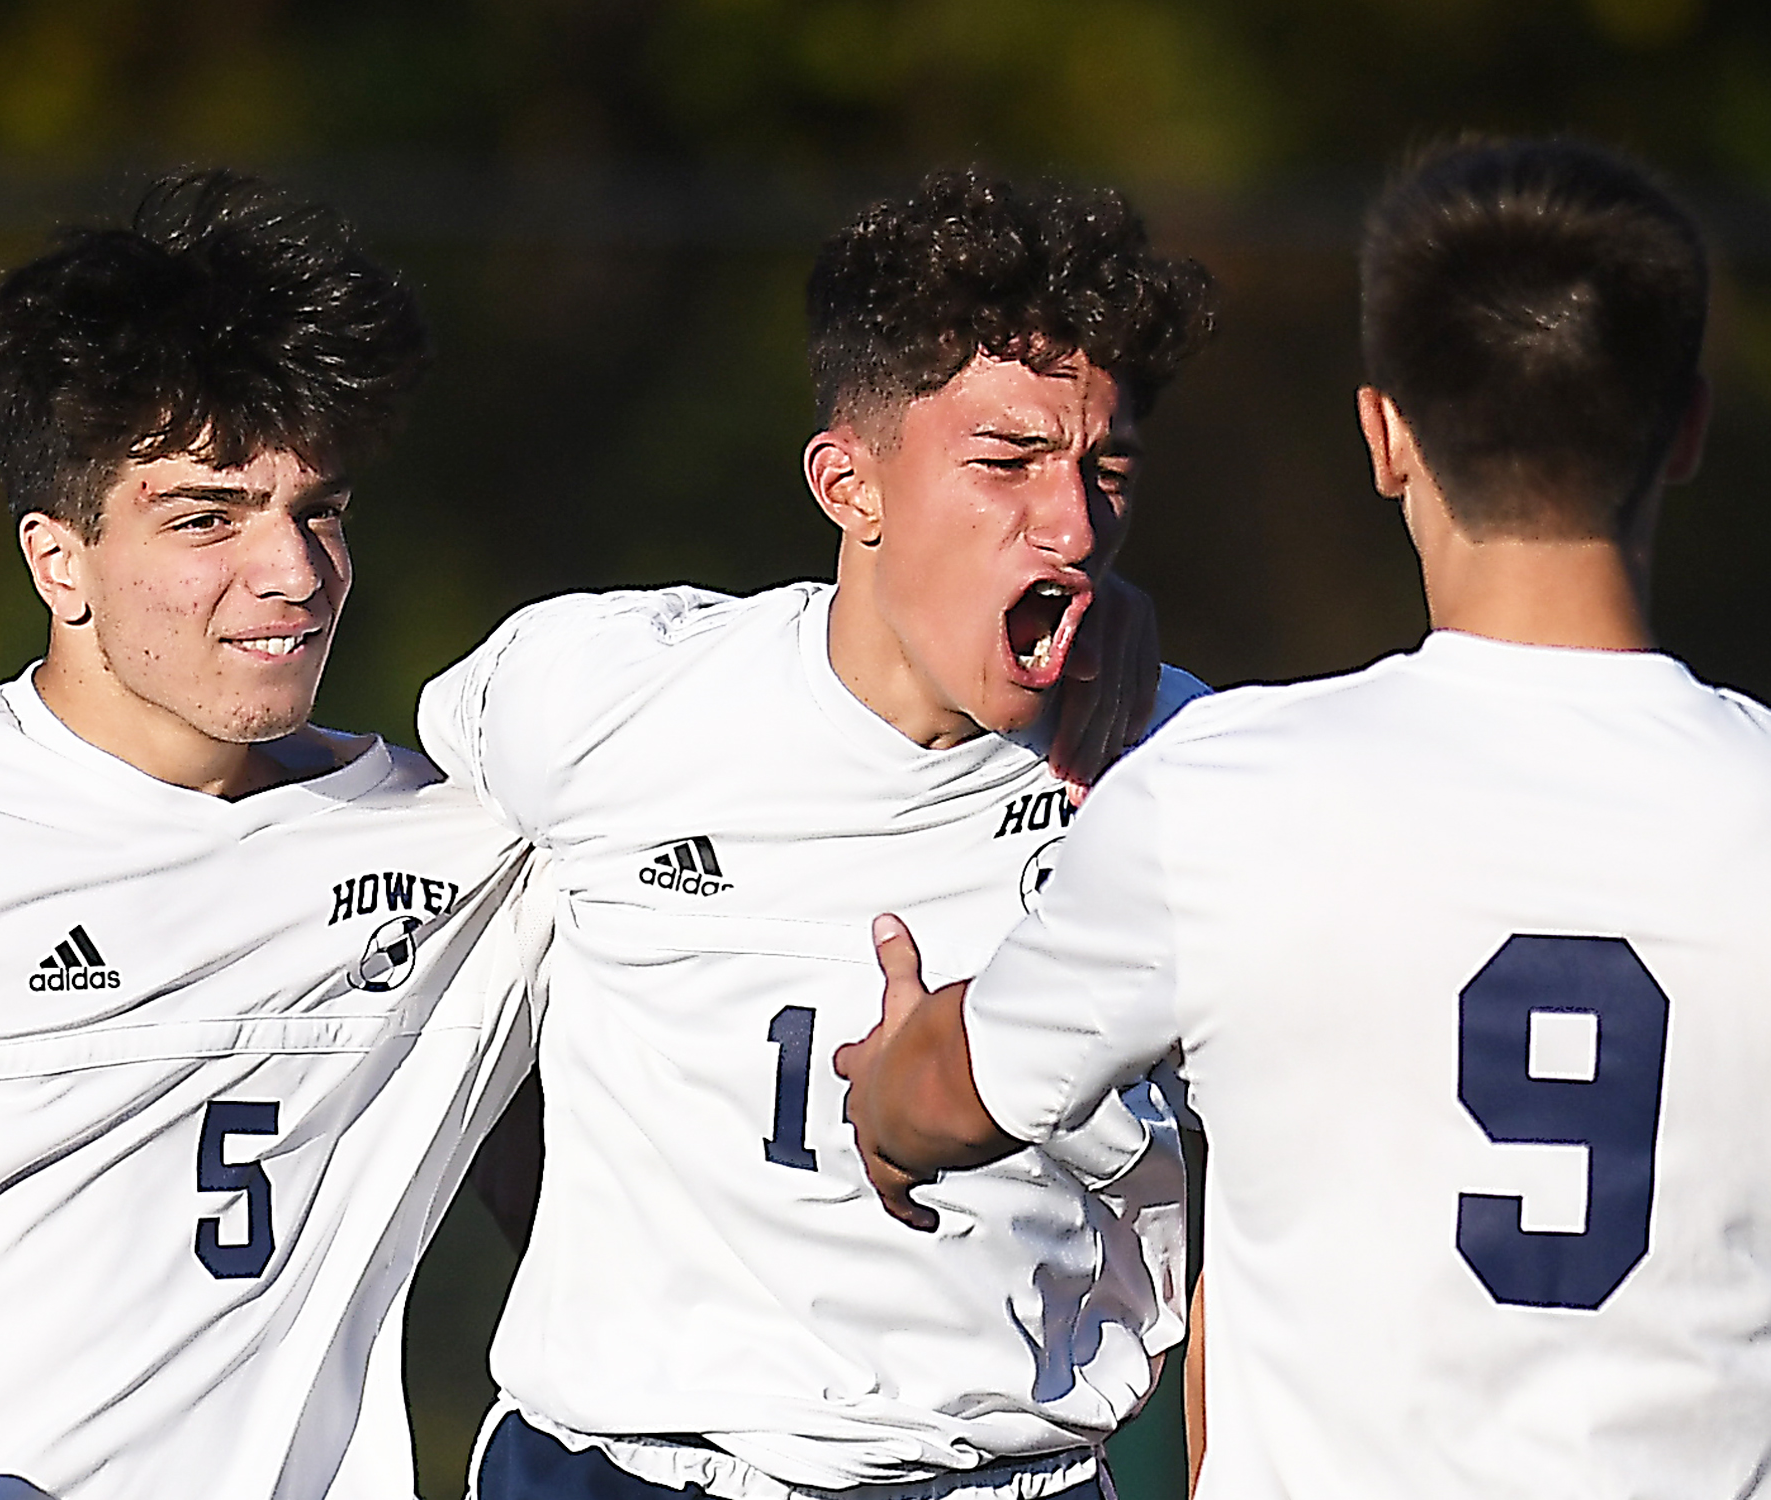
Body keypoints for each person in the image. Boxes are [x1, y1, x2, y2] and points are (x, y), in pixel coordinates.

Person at [839, 137, 1771, 1497]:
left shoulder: (1229, 793)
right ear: (1689, 427)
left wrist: (891, 1084)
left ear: (1385, 435)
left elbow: (949, 1096)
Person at [417, 168, 1217, 1500]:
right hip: (611, 1470)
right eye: (1007, 461)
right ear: (850, 485)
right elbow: (386, 844)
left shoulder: (1191, 781)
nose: (1074, 525)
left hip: (998, 1474)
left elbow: (1277, 1210)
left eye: (1106, 468)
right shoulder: (596, 692)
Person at [0, 172, 550, 1499]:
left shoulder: (476, 849)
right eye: (208, 515)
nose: (292, 571)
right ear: (60, 561)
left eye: (318, 509)